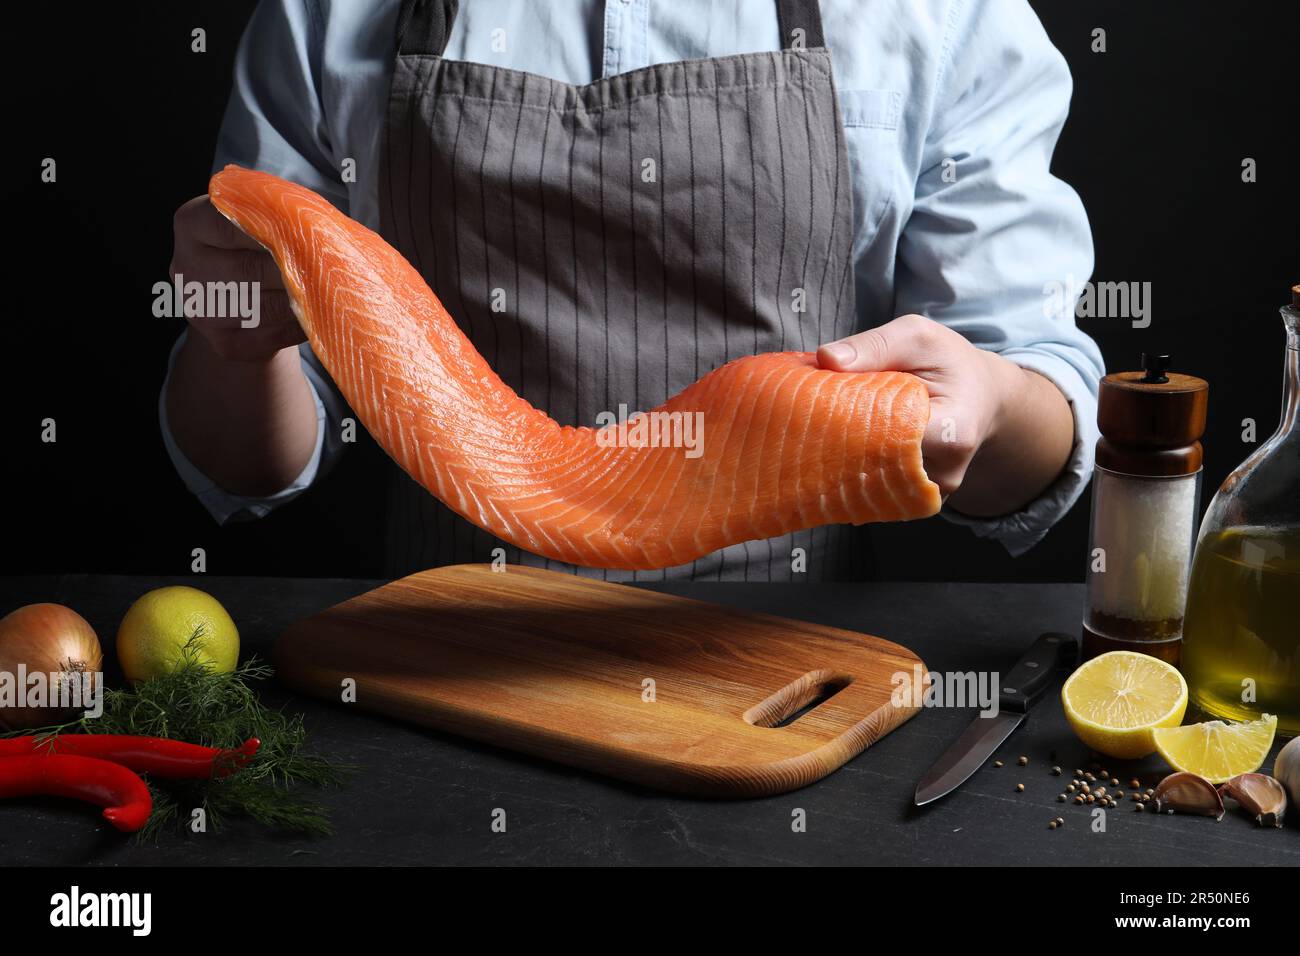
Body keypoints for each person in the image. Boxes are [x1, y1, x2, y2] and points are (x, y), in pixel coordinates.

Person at [163, 0, 1103, 581]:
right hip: (445, 672)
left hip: (783, 674)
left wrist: (986, 403)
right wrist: (233, 346)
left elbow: (1035, 424)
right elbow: (252, 464)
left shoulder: (943, 12)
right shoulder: (330, 10)